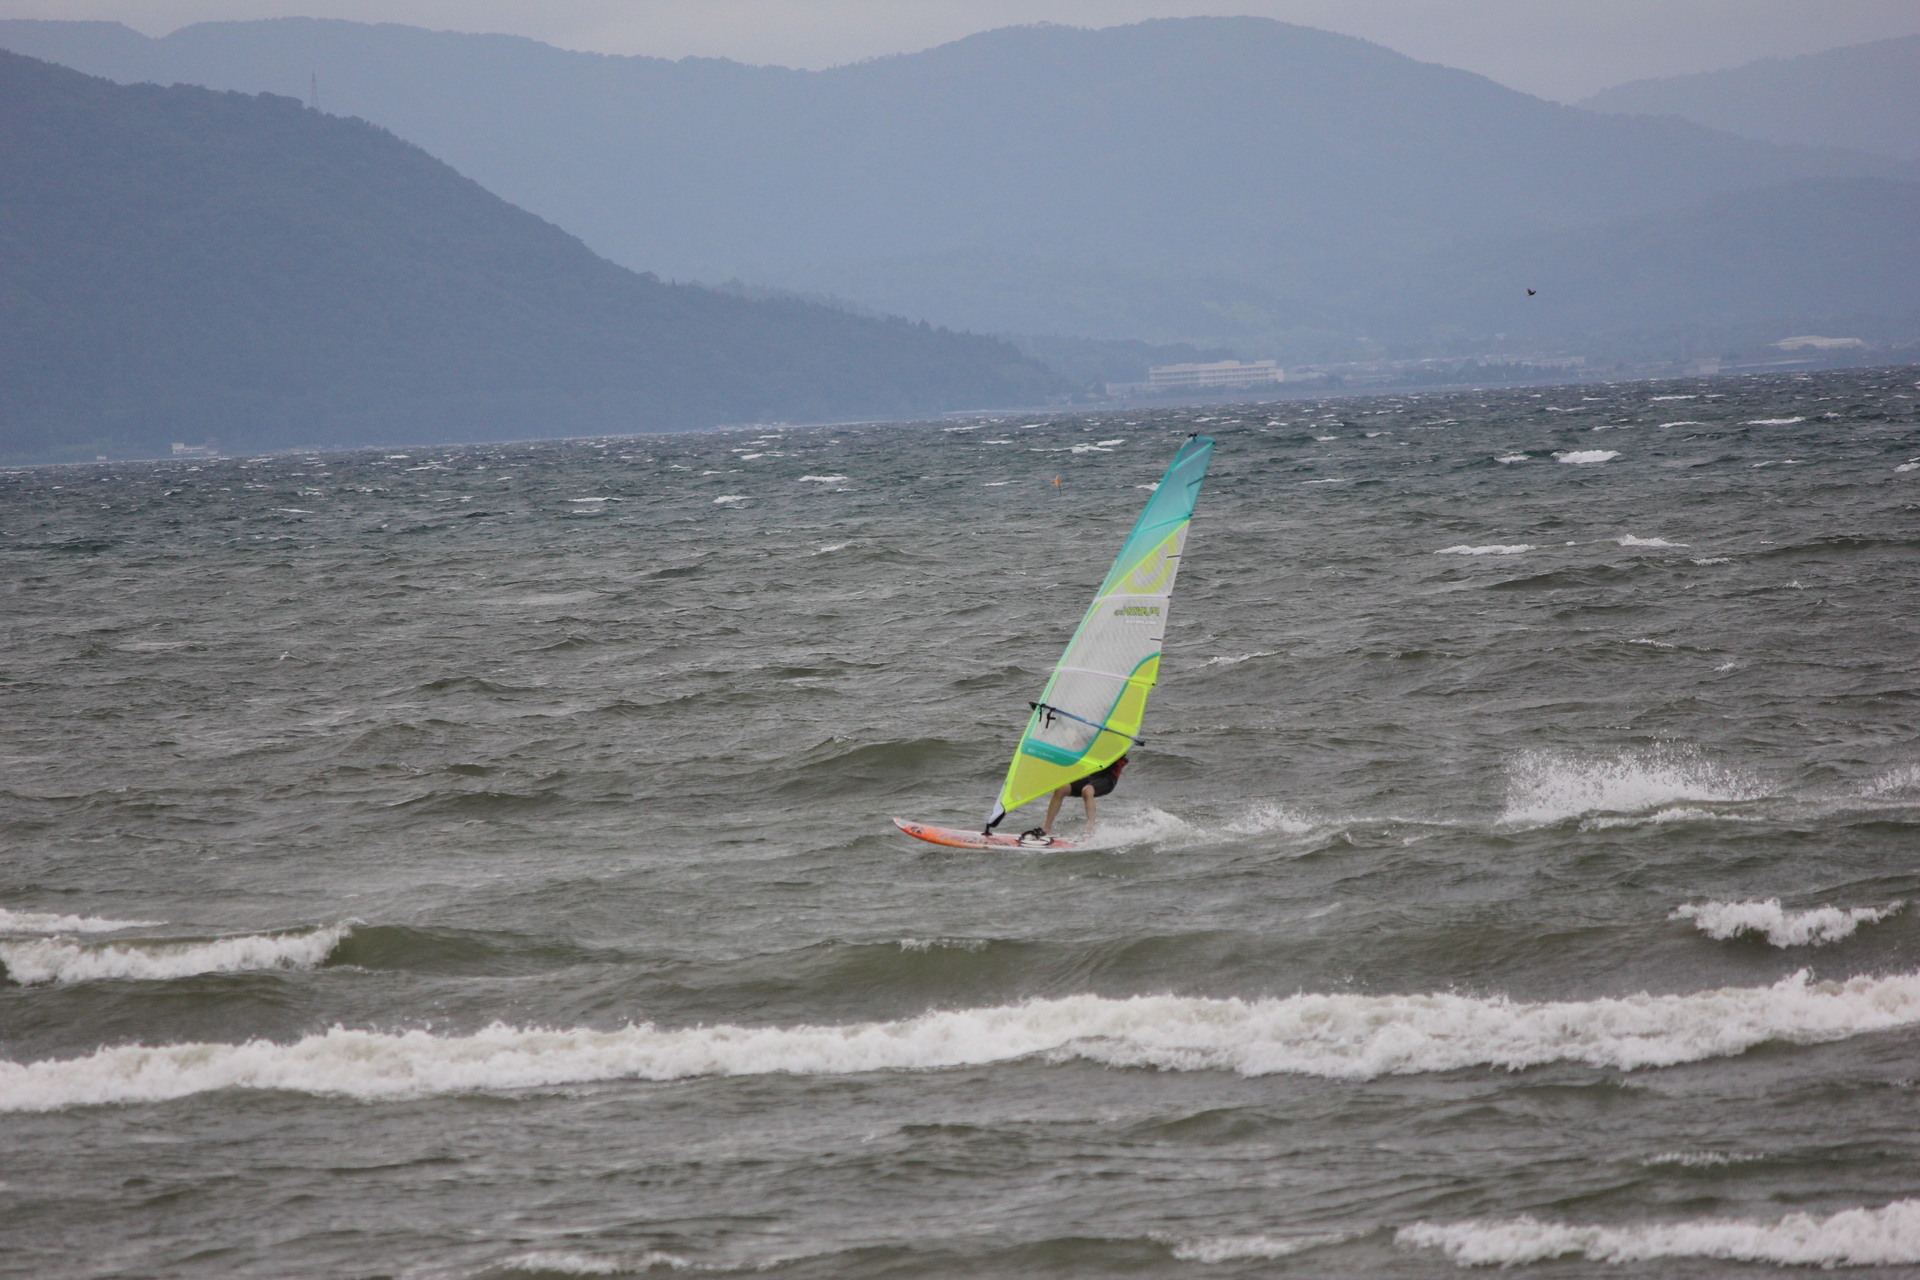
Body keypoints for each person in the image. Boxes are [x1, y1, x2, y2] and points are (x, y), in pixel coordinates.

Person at [1021, 755, 1128, 842]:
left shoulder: (1116, 743)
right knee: (1061, 788)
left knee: (1087, 790)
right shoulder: (1097, 740)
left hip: (1108, 778)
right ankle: (1046, 828)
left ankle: (1090, 831)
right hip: (1093, 776)